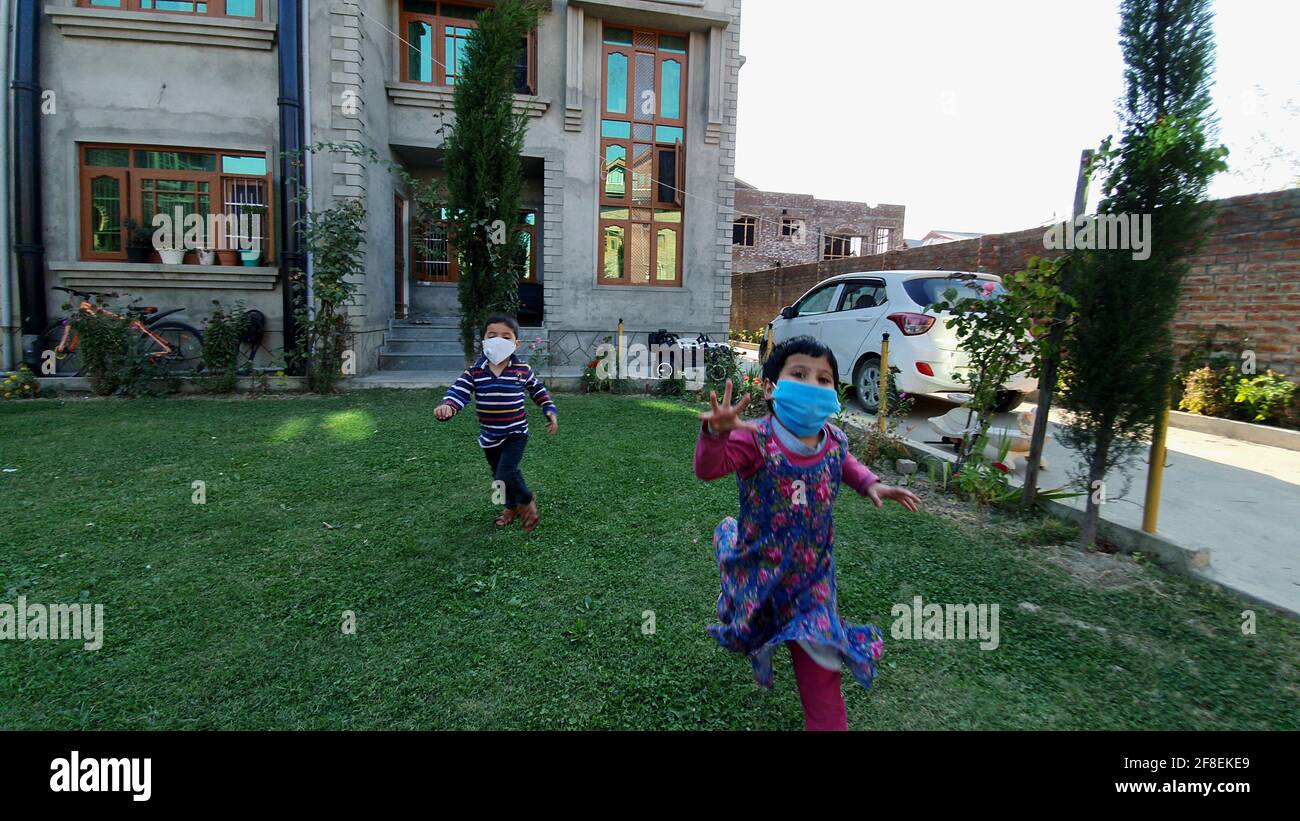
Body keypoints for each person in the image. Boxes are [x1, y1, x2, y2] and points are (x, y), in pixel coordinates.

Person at [694, 335, 921, 730]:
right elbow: (708, 470)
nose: (813, 386)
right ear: (770, 387)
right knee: (748, 621)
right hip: (761, 568)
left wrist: (870, 483)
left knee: (821, 665)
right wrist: (716, 436)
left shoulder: (835, 440)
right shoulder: (755, 438)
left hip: (812, 581)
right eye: (799, 374)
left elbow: (845, 463)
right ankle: (731, 571)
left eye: (824, 379)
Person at [435, 314, 558, 532]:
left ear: (516, 343)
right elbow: (458, 392)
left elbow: (538, 390)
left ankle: (526, 501)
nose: (498, 340)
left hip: (516, 433)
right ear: (483, 341)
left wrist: (548, 409)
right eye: (492, 336)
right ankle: (508, 507)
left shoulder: (522, 370)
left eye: (505, 336)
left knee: (506, 471)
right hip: (489, 436)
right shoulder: (475, 372)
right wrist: (448, 406)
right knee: (497, 477)